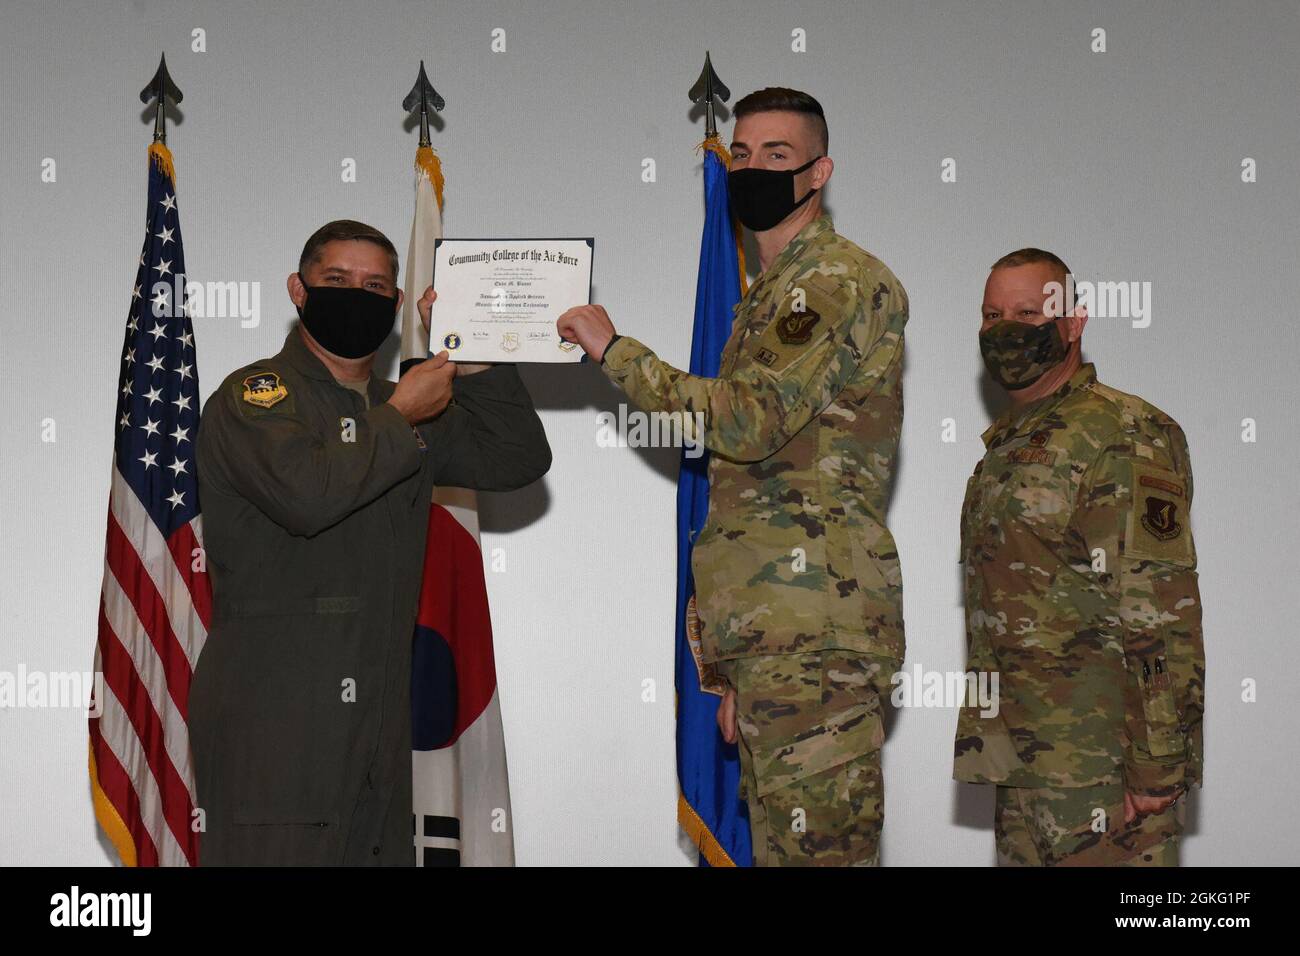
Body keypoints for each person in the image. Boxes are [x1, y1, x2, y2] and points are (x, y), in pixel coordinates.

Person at [558, 89, 907, 865]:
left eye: (775, 157)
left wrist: (616, 352)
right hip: (773, 634)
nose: (750, 170)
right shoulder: (770, 294)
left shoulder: (833, 281)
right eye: (741, 155)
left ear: (819, 172)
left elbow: (748, 420)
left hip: (813, 631)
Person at [190, 219, 551, 865]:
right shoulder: (259, 396)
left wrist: (481, 363)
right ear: (298, 291)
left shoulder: (402, 400)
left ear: (394, 303)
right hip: (279, 710)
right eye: (337, 281)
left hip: (379, 705)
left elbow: (515, 459)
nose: (357, 295)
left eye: (376, 286)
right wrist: (400, 417)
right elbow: (307, 495)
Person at [954, 247, 1204, 866]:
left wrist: (1157, 763)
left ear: (1075, 321)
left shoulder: (1123, 435)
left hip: (1104, 773)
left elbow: (1160, 612)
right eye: (991, 316)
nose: (1005, 329)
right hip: (1022, 765)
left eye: (1026, 311)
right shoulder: (1008, 447)